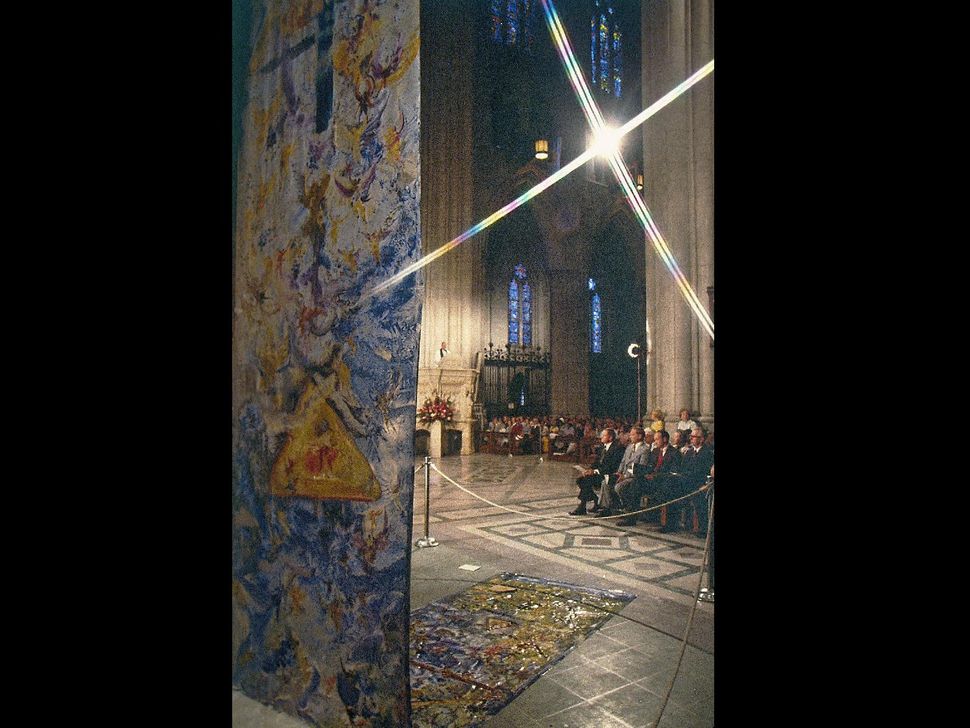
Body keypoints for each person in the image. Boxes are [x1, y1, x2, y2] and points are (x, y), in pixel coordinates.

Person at [596, 426, 651, 517]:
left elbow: (641, 467)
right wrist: (619, 472)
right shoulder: (629, 447)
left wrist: (625, 476)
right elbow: (623, 462)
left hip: (633, 477)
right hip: (622, 474)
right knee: (605, 482)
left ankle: (626, 507)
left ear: (640, 436)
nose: (630, 436)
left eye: (633, 435)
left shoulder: (645, 449)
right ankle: (607, 507)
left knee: (619, 486)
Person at [568, 429, 624, 516]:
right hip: (600, 473)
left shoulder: (617, 449)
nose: (601, 437)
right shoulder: (602, 447)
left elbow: (612, 466)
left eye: (604, 435)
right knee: (581, 479)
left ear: (610, 437)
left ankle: (583, 506)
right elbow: (597, 462)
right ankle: (594, 500)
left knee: (586, 480)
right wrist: (589, 470)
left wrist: (594, 471)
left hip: (609, 474)